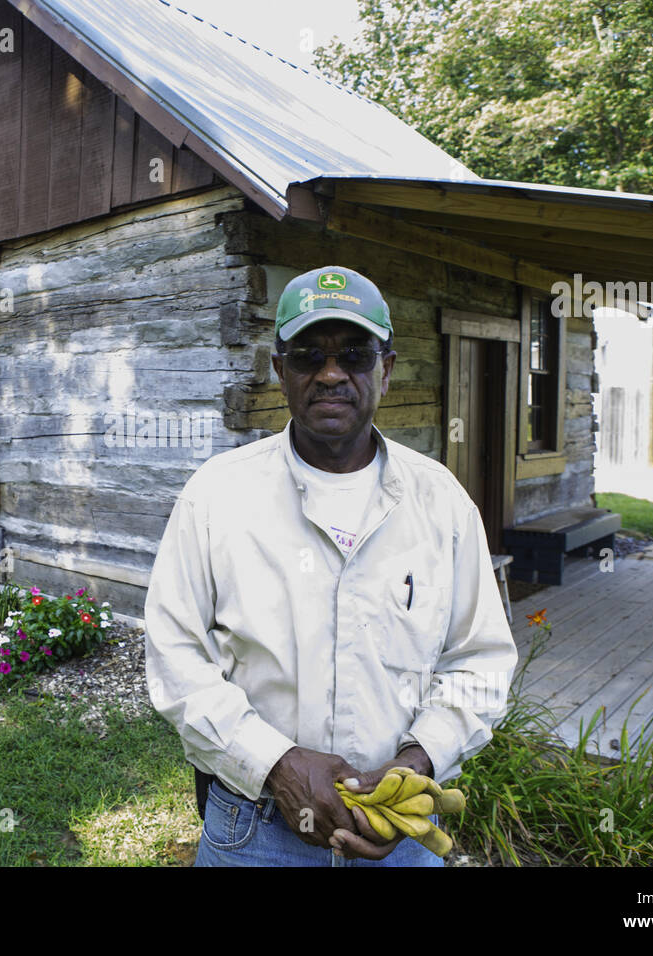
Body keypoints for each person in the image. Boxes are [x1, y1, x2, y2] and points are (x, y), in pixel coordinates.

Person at [143, 265, 518, 867]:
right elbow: (174, 655)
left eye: (355, 353)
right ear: (279, 372)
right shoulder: (216, 494)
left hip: (399, 830)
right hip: (255, 827)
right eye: (307, 356)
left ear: (387, 369)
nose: (331, 373)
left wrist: (417, 762)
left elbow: (481, 658)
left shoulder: (440, 501)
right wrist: (277, 766)